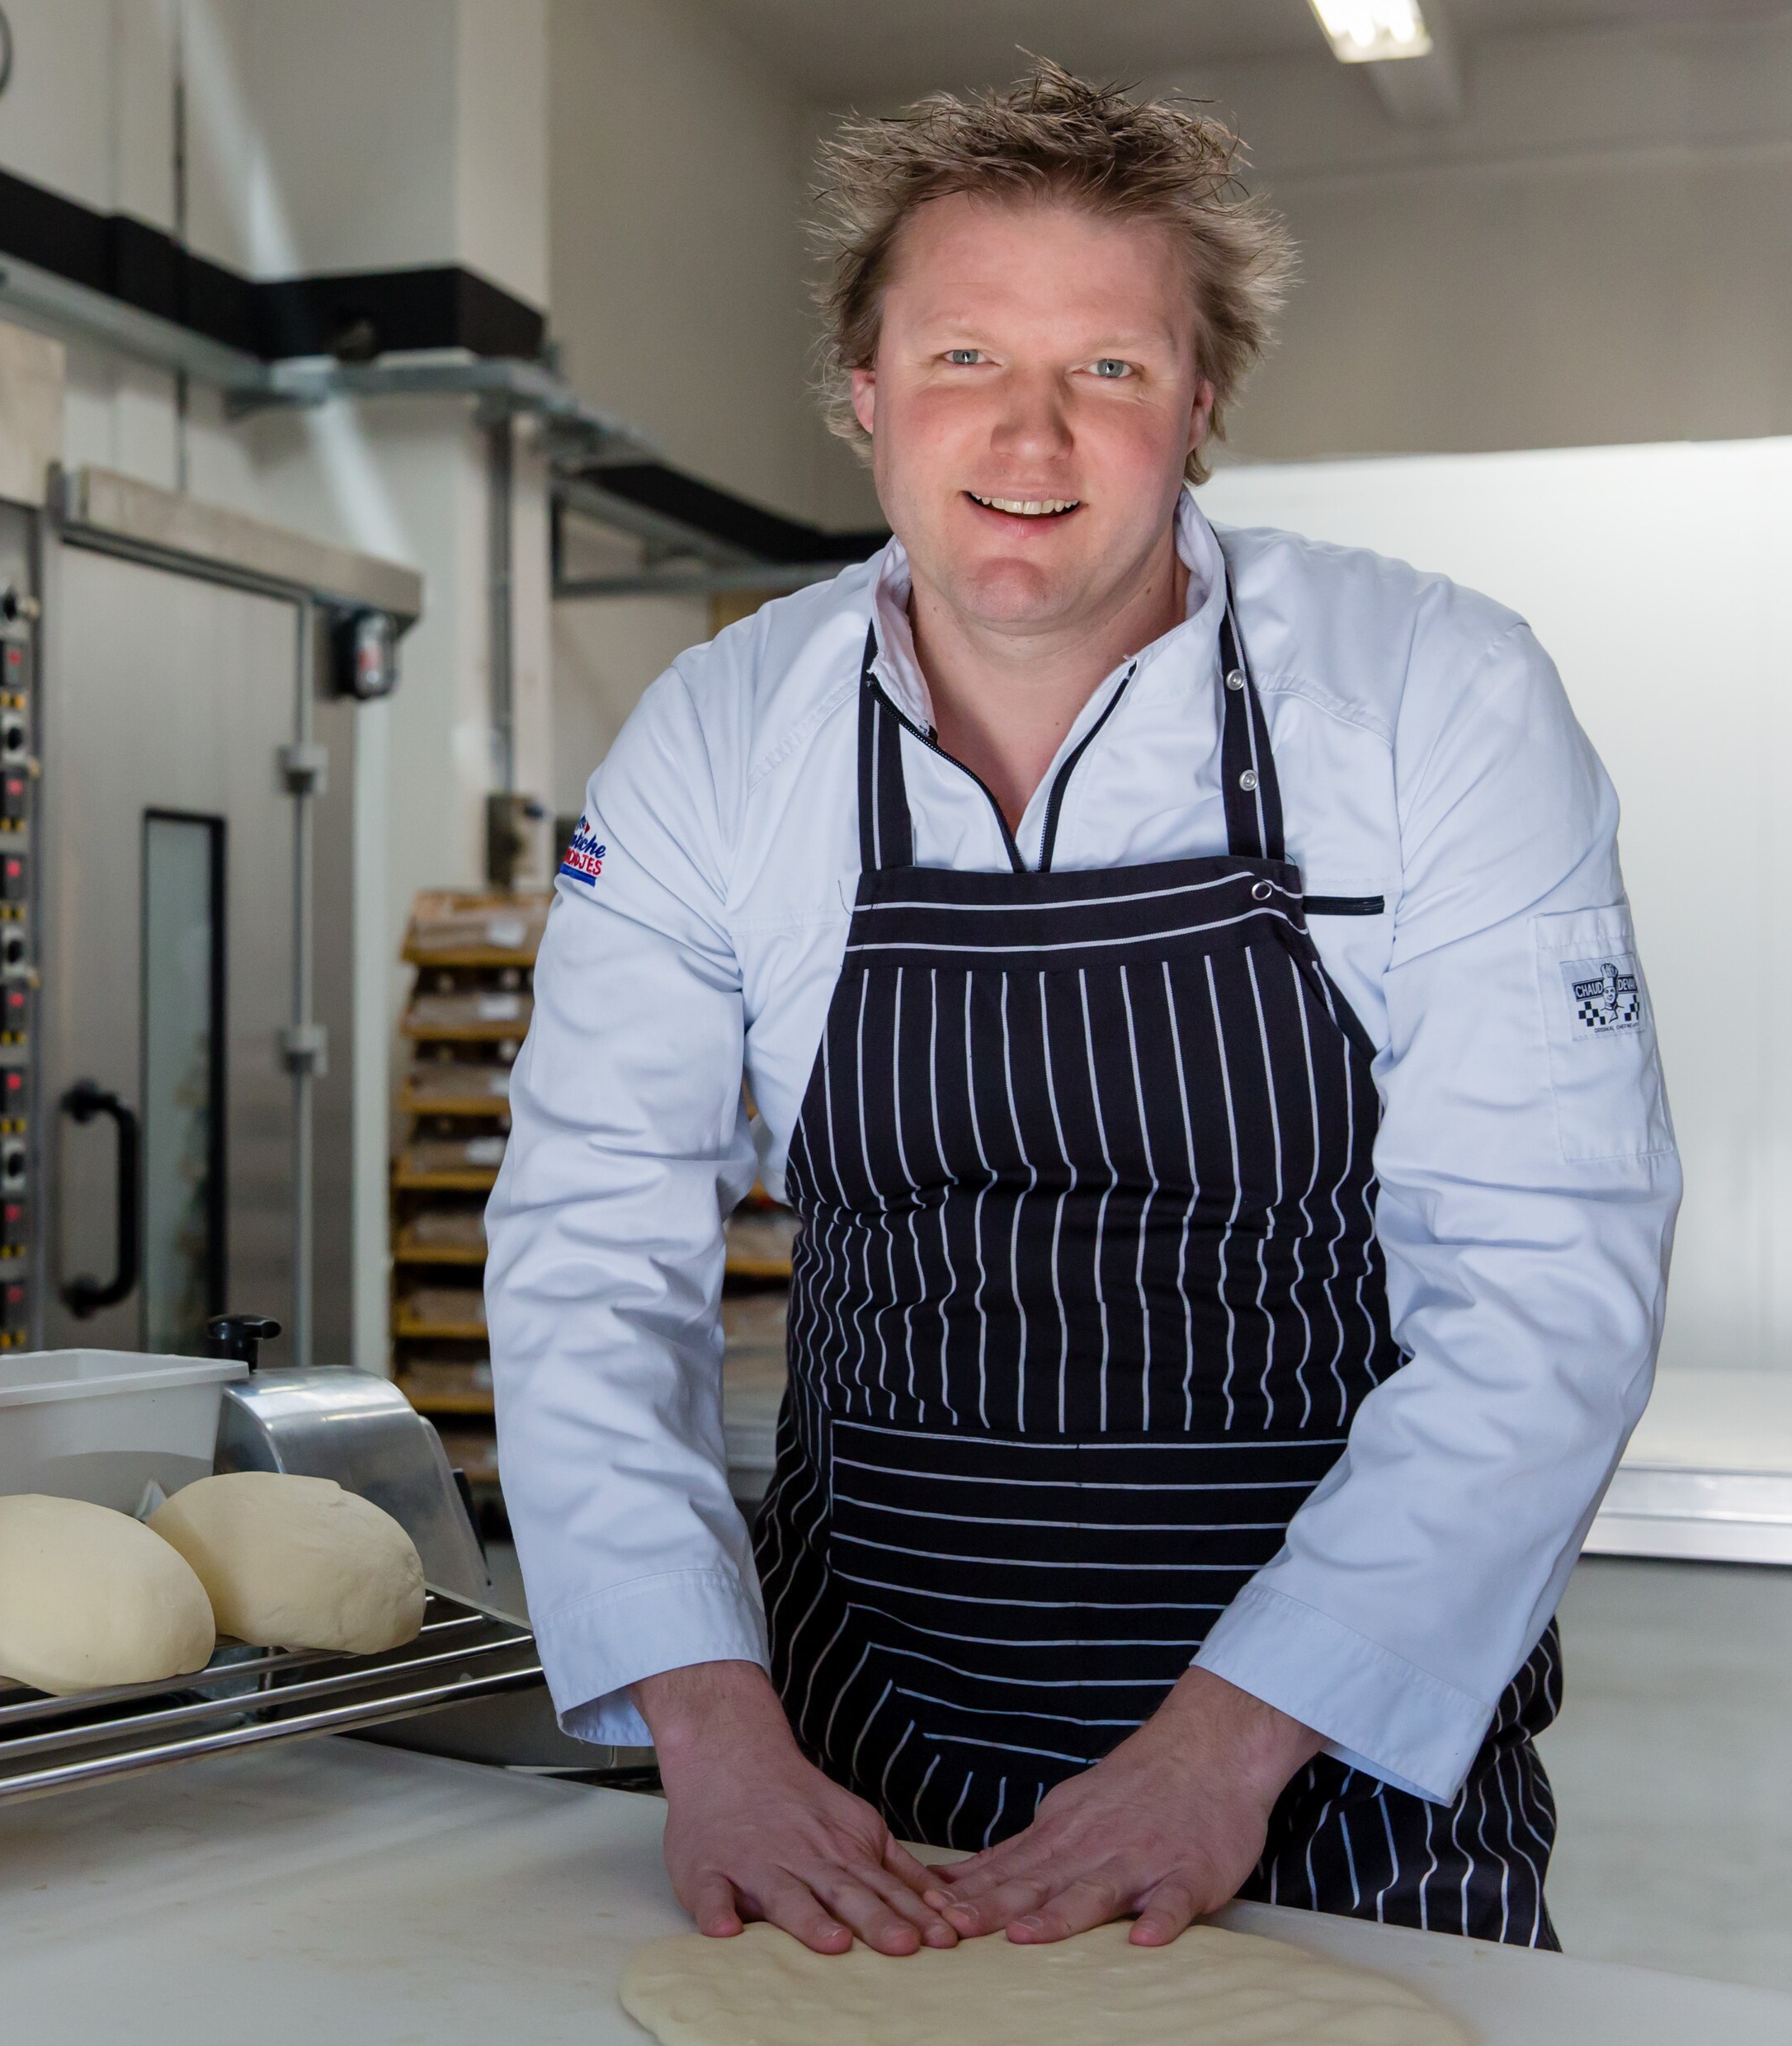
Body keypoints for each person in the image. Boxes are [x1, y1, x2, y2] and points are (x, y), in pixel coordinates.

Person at [486, 61, 1678, 1960]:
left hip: (1332, 1776)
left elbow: (1545, 1276)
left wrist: (1222, 1746)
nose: (1028, 433)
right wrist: (708, 1723)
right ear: (863, 393)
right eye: (962, 354)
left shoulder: (1428, 696)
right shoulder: (723, 736)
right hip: (854, 1793)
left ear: (1201, 406)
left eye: (1109, 369)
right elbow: (586, 1252)